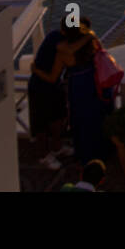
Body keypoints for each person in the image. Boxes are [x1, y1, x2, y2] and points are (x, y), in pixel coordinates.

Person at [35, 17, 108, 162]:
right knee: (95, 116)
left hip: (78, 86)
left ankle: (84, 155)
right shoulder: (91, 43)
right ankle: (100, 151)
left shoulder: (64, 51)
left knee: (80, 120)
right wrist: (89, 36)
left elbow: (52, 77)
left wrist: (35, 70)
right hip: (93, 82)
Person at [27, 18, 70, 169]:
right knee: (42, 124)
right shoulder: (60, 45)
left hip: (53, 86)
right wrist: (37, 71)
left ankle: (57, 148)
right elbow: (52, 77)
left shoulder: (54, 35)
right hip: (40, 87)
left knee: (57, 118)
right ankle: (44, 156)